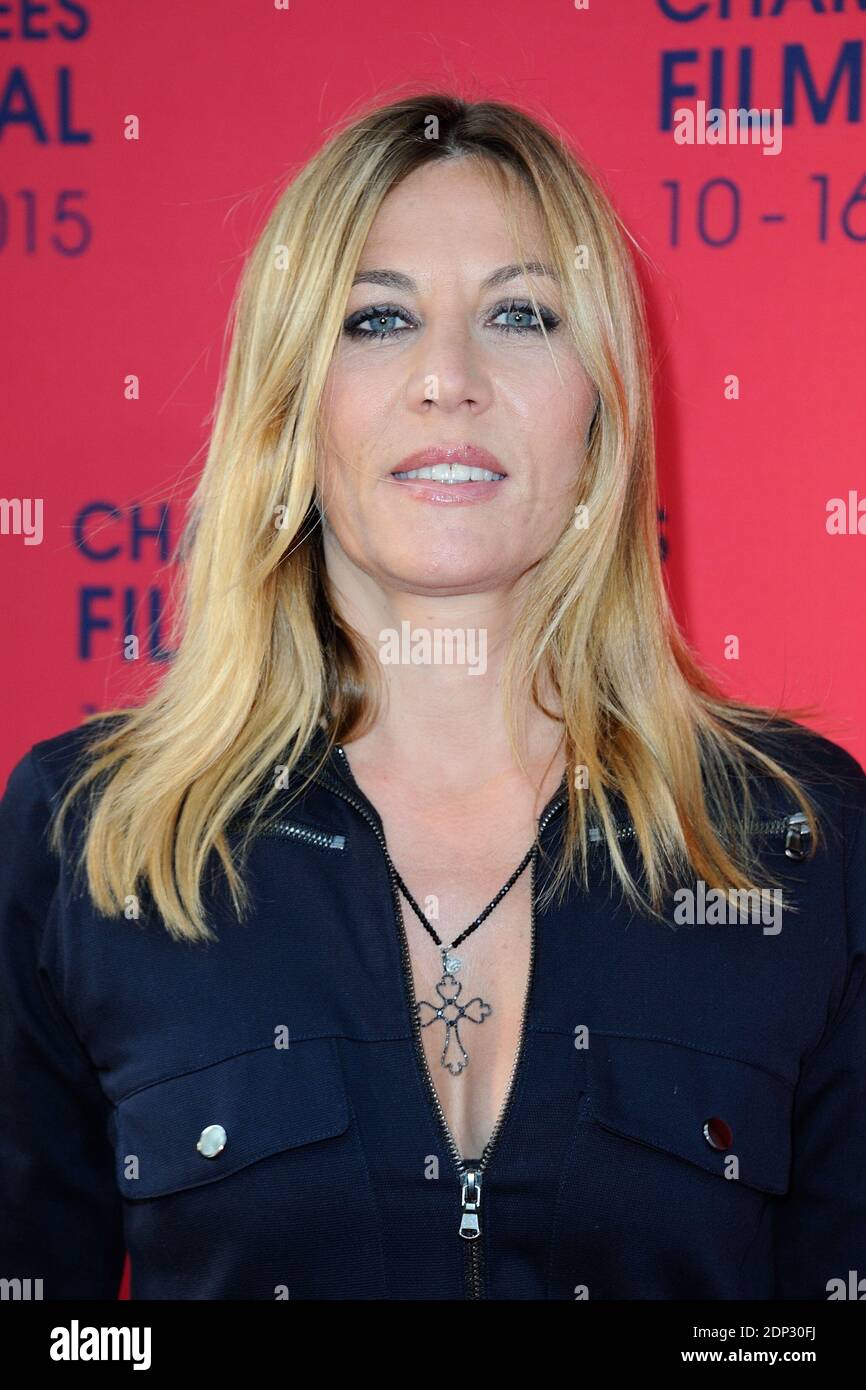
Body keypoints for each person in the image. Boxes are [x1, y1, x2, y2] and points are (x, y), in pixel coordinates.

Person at [1, 91, 864, 1302]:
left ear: (600, 409)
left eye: (519, 313)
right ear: (291, 407)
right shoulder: (86, 834)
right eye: (376, 319)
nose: (445, 379)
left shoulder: (793, 838)